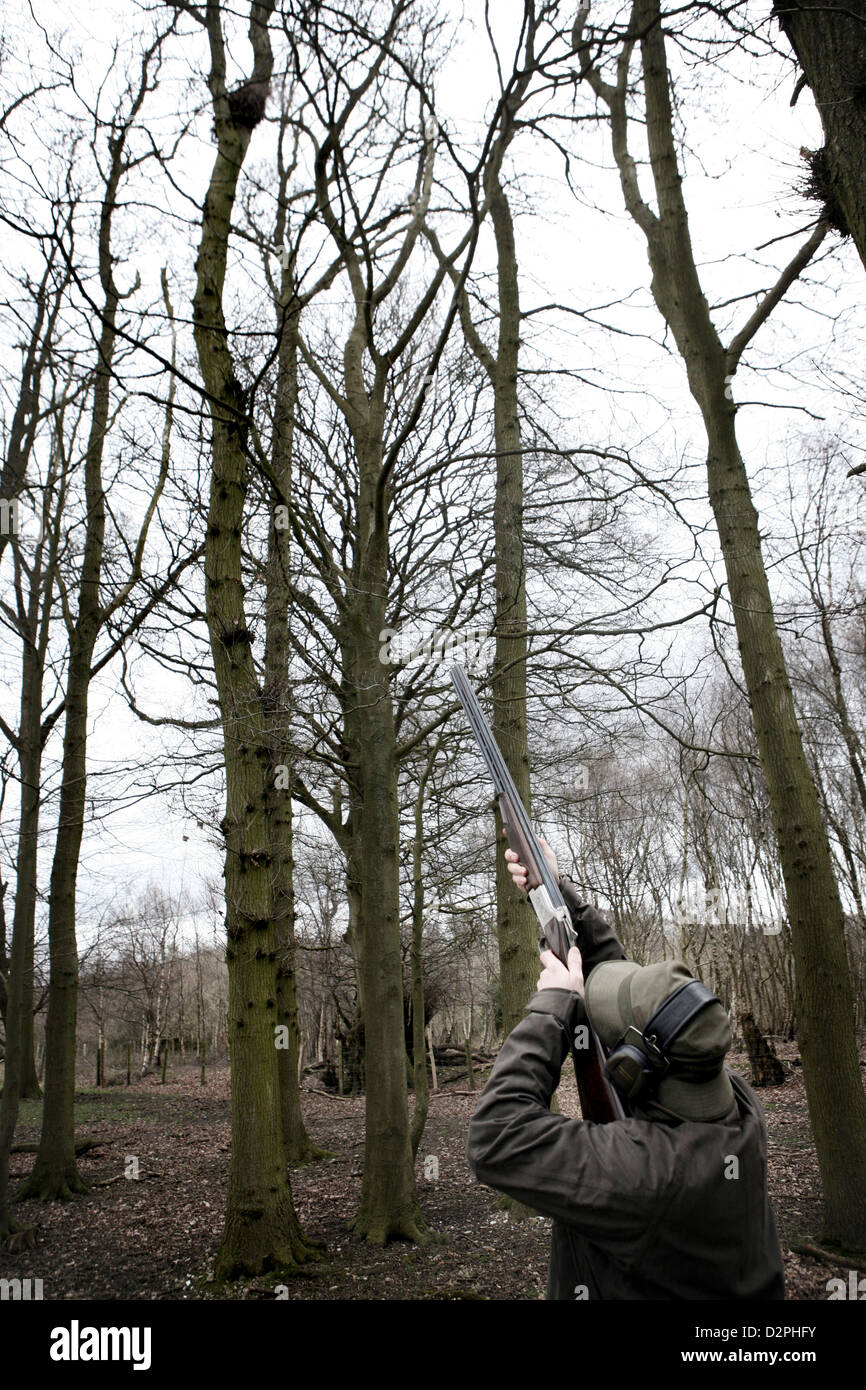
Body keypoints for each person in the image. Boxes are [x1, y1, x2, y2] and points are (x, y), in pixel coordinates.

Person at [466, 838, 785, 1300]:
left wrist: (553, 1007)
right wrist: (560, 894)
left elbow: (495, 1137)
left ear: (634, 1073)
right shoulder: (735, 1105)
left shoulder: (643, 1173)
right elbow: (637, 1009)